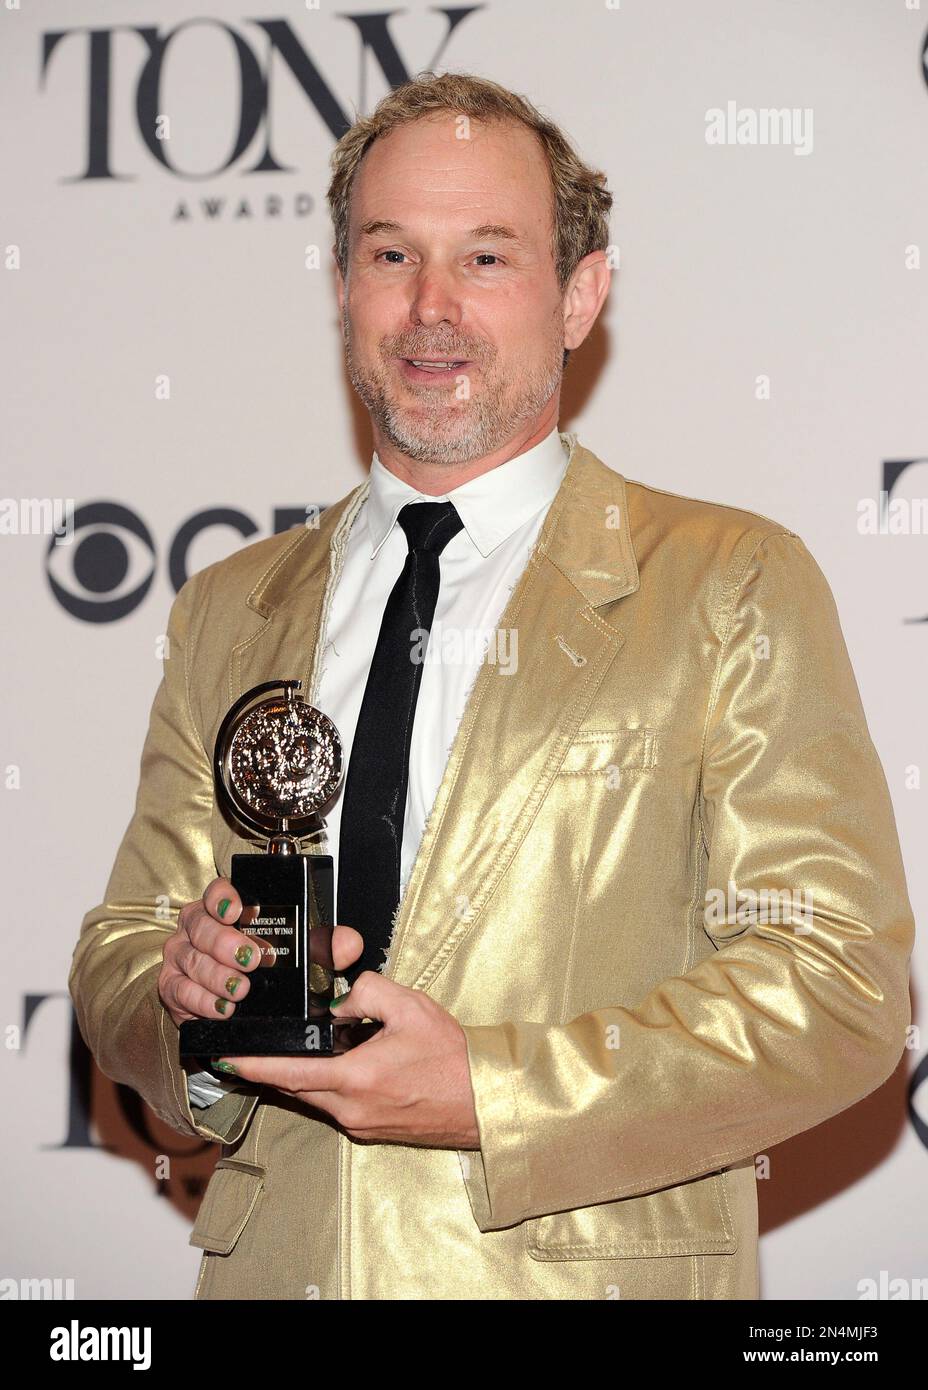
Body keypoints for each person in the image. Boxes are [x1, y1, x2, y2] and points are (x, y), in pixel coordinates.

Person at [70, 70, 915, 1301]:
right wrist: (180, 1008)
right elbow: (123, 950)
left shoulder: (728, 582)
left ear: (580, 295)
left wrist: (494, 1093)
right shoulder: (226, 606)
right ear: (342, 285)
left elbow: (837, 980)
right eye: (390, 254)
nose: (429, 310)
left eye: (485, 259)